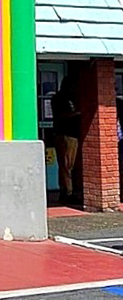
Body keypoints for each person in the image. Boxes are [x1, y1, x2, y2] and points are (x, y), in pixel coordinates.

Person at [52, 75, 81, 205]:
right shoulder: (59, 98)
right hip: (65, 134)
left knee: (70, 164)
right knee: (66, 164)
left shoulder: (73, 98)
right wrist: (78, 114)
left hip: (73, 135)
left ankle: (70, 190)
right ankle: (67, 192)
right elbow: (60, 115)